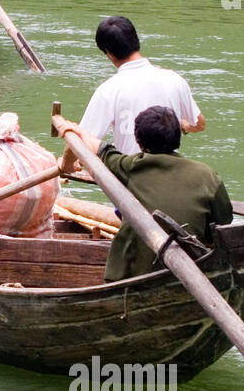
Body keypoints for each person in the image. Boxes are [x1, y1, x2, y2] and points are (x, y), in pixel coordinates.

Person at [56, 107, 233, 282]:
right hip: (193, 271)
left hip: (133, 275)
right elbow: (223, 223)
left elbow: (99, 148)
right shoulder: (207, 175)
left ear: (139, 142)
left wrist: (76, 130)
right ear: (178, 137)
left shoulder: (131, 166)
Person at [60, 15, 206, 173]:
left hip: (131, 181)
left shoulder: (109, 90)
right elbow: (198, 124)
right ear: (136, 40)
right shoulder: (175, 80)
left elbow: (79, 141)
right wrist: (180, 124)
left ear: (109, 54)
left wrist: (66, 166)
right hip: (172, 176)